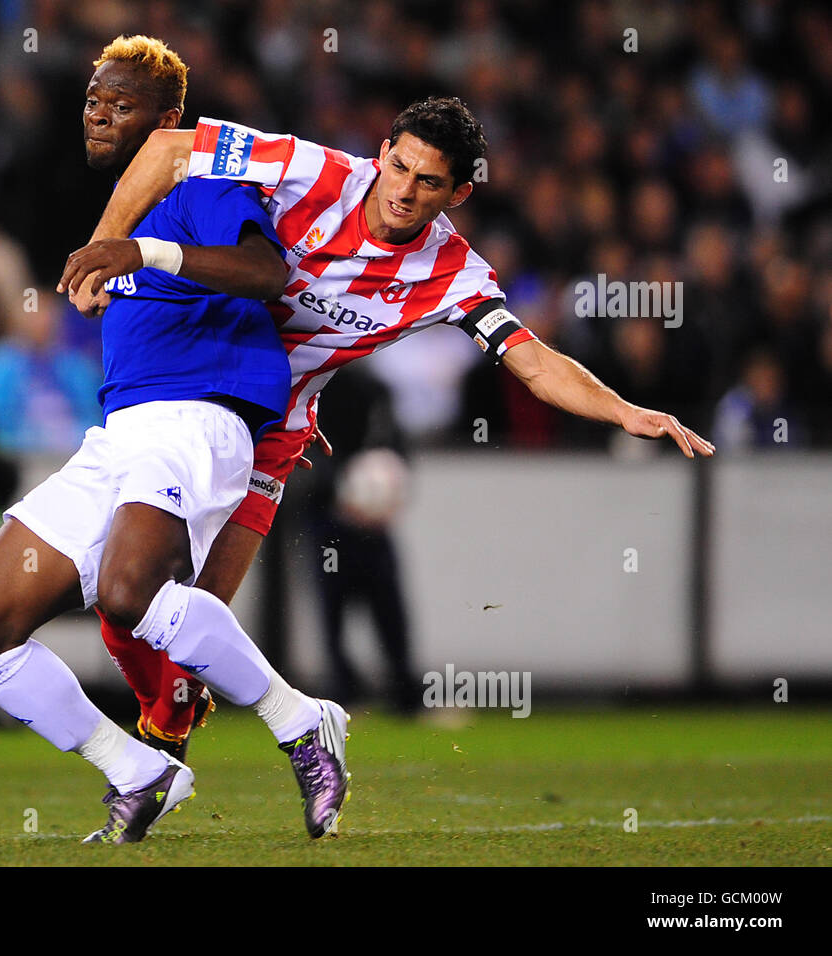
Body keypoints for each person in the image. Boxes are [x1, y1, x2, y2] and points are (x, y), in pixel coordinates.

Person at [60, 95, 716, 759]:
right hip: (192, 391)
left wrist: (627, 411)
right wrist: (95, 252)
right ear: (382, 154)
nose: (403, 190)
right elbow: (170, 150)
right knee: (135, 600)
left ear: (458, 192)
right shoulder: (310, 171)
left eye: (428, 181)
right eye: (398, 167)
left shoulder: (451, 273)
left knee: (191, 635)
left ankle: (157, 775)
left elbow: (535, 364)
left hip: (275, 430)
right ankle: (220, 738)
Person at [0, 36, 351, 845]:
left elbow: (268, 275)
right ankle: (139, 769)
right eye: (94, 100)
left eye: (120, 104)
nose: (98, 114)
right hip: (120, 434)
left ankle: (303, 724)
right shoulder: (119, 217)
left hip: (198, 421)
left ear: (170, 121)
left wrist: (142, 253)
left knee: (132, 597)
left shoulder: (204, 182)